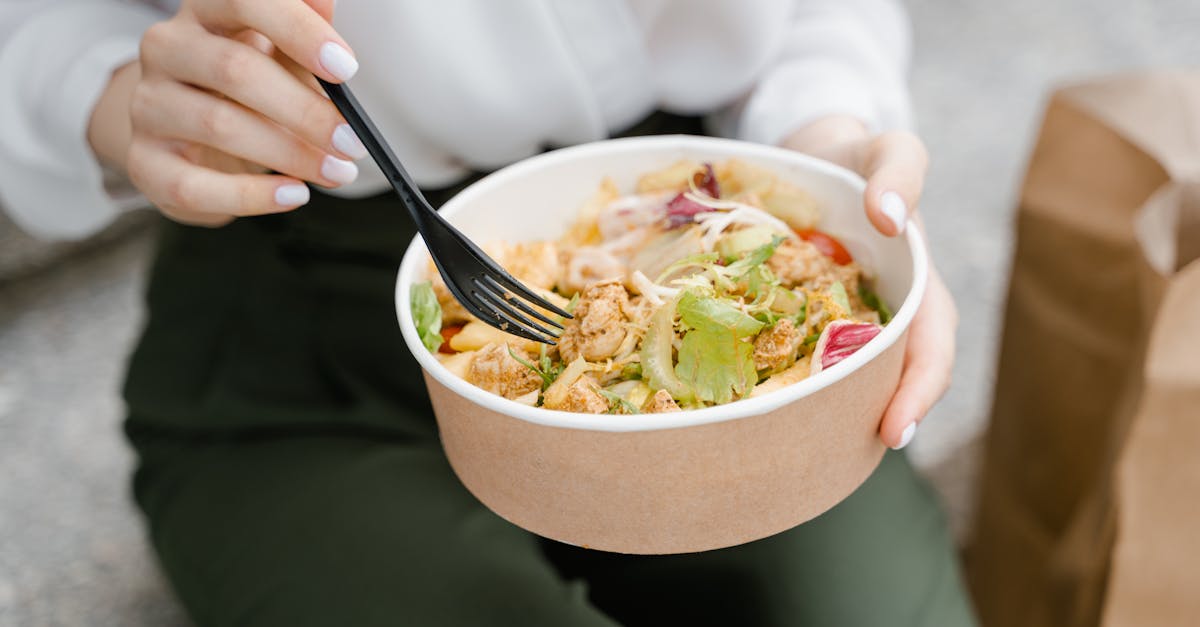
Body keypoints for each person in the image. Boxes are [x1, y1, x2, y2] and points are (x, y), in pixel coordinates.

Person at [0, 0, 970, 624]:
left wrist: (836, 158)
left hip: (708, 236)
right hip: (299, 314)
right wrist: (120, 94)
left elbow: (811, 20)